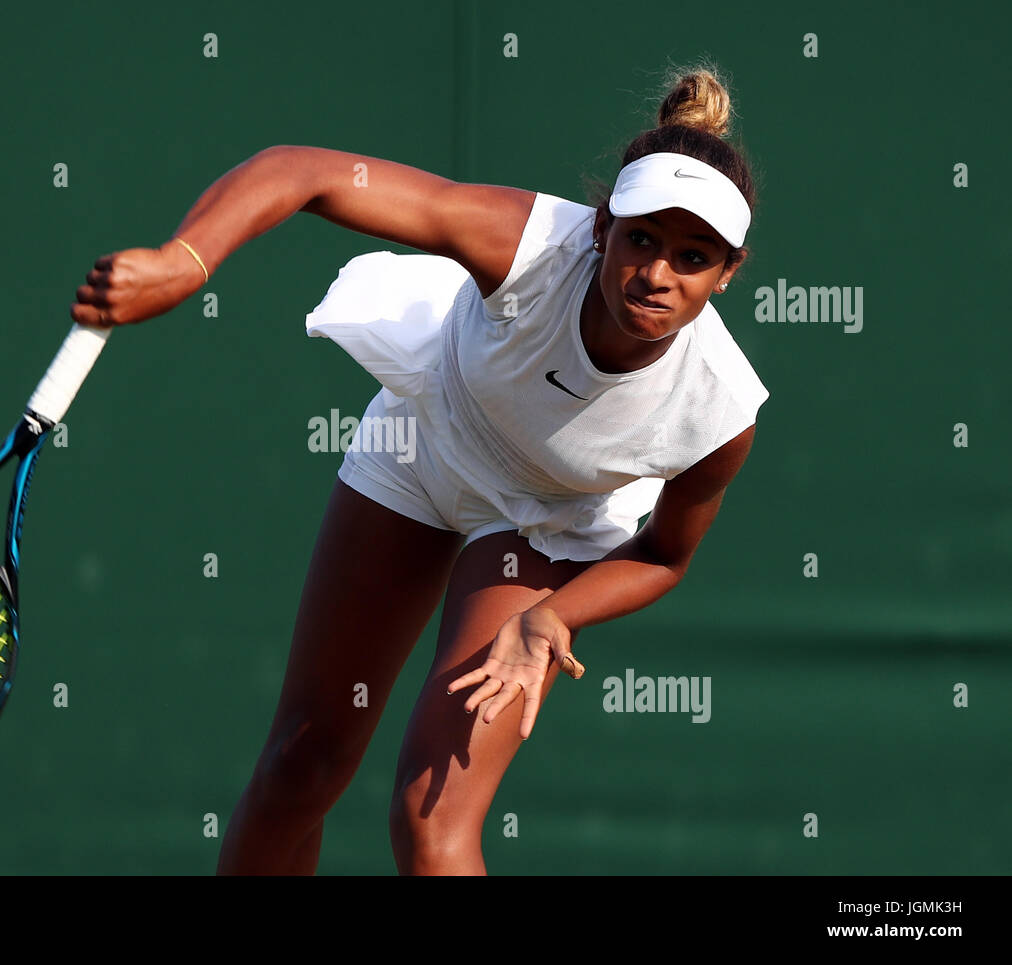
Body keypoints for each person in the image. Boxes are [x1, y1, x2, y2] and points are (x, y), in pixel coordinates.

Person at [69, 66, 768, 875]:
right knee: (302, 765)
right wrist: (184, 259)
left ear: (727, 272)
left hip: (543, 525)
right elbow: (305, 170)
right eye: (640, 238)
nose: (656, 273)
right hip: (425, 446)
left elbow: (662, 554)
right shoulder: (527, 242)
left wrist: (556, 617)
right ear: (600, 228)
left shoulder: (717, 410)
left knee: (430, 820)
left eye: (692, 256)